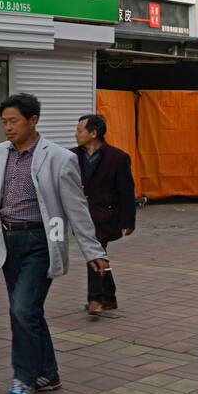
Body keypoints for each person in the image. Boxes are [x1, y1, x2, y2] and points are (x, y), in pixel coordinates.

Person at [0, 93, 108, 394]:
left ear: (33, 120)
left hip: (41, 242)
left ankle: (24, 377)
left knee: (21, 310)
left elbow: (77, 208)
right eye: (4, 121)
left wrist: (93, 250)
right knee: (29, 311)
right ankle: (49, 374)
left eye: (13, 121)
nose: (8, 127)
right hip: (8, 242)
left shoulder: (59, 158)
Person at [73, 113, 136, 315]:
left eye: (80, 130)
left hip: (104, 217)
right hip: (82, 217)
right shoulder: (71, 156)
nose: (76, 134)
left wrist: (128, 221)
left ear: (94, 133)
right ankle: (109, 296)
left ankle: (95, 299)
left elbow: (126, 191)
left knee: (94, 253)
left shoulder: (117, 158)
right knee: (99, 255)